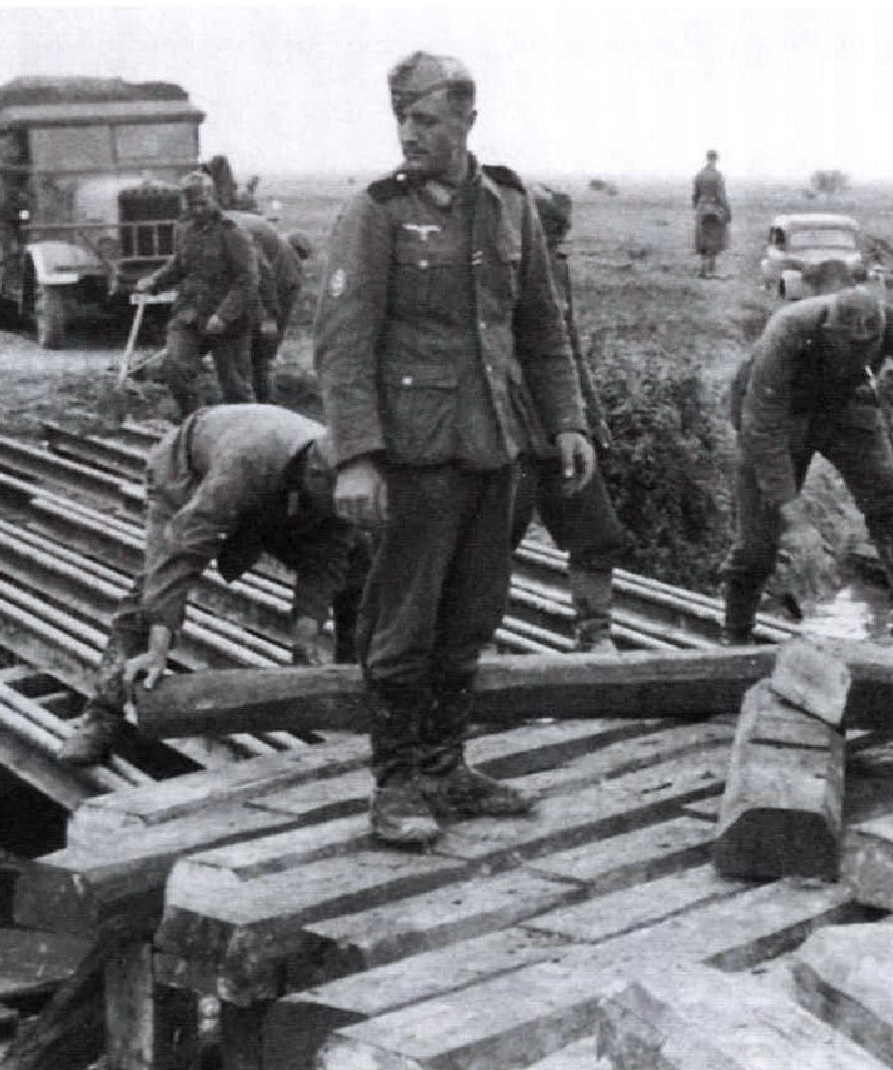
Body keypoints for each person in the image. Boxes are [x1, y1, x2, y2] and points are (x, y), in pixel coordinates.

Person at [314, 51, 591, 846]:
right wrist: (358, 456)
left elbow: (540, 326)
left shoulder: (509, 204)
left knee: (471, 616)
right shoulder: (375, 213)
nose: (410, 133)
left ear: (468, 119)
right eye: (402, 118)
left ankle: (446, 769)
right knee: (403, 625)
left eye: (427, 119)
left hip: (498, 447)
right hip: (415, 453)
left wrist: (567, 421)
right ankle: (396, 785)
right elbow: (341, 344)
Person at [58, 405, 368, 766]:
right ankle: (103, 714)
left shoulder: (343, 480)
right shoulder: (247, 461)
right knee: (152, 587)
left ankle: (352, 692)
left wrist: (305, 637)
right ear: (317, 476)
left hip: (280, 496)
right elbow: (184, 551)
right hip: (189, 473)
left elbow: (326, 561)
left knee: (358, 567)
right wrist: (159, 647)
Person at [723, 287, 893, 642]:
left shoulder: (890, 324)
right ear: (829, 333)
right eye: (847, 344)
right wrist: (795, 518)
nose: (856, 351)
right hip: (777, 414)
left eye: (865, 345)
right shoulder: (789, 330)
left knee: (892, 501)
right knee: (758, 540)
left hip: (843, 401)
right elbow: (762, 427)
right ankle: (736, 632)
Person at [509, 184, 627, 653]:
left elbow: (567, 347)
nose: (556, 246)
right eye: (549, 234)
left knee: (596, 532)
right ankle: (470, 645)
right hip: (507, 434)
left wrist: (588, 421)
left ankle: (594, 633)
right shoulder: (487, 274)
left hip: (560, 429)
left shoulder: (557, 270)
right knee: (490, 543)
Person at [137, 171, 260, 420]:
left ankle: (247, 432)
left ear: (213, 198)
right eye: (192, 204)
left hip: (228, 321)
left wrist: (224, 316)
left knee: (235, 387)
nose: (198, 209)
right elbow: (179, 265)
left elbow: (247, 279)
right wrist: (154, 281)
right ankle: (195, 424)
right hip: (189, 313)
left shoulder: (232, 232)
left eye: (203, 203)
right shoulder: (184, 229)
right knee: (176, 368)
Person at [227, 209, 307, 403]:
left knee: (262, 348)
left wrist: (269, 317)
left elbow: (261, 277)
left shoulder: (238, 237)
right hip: (262, 273)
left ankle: (264, 400)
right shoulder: (200, 233)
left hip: (281, 280)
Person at [692, 149, 730, 279]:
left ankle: (703, 269)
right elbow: (721, 196)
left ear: (707, 158)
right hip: (714, 210)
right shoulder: (718, 176)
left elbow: (695, 196)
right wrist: (727, 211)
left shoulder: (699, 175)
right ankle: (711, 270)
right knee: (714, 239)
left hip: (701, 209)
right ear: (715, 159)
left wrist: (697, 209)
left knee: (702, 239)